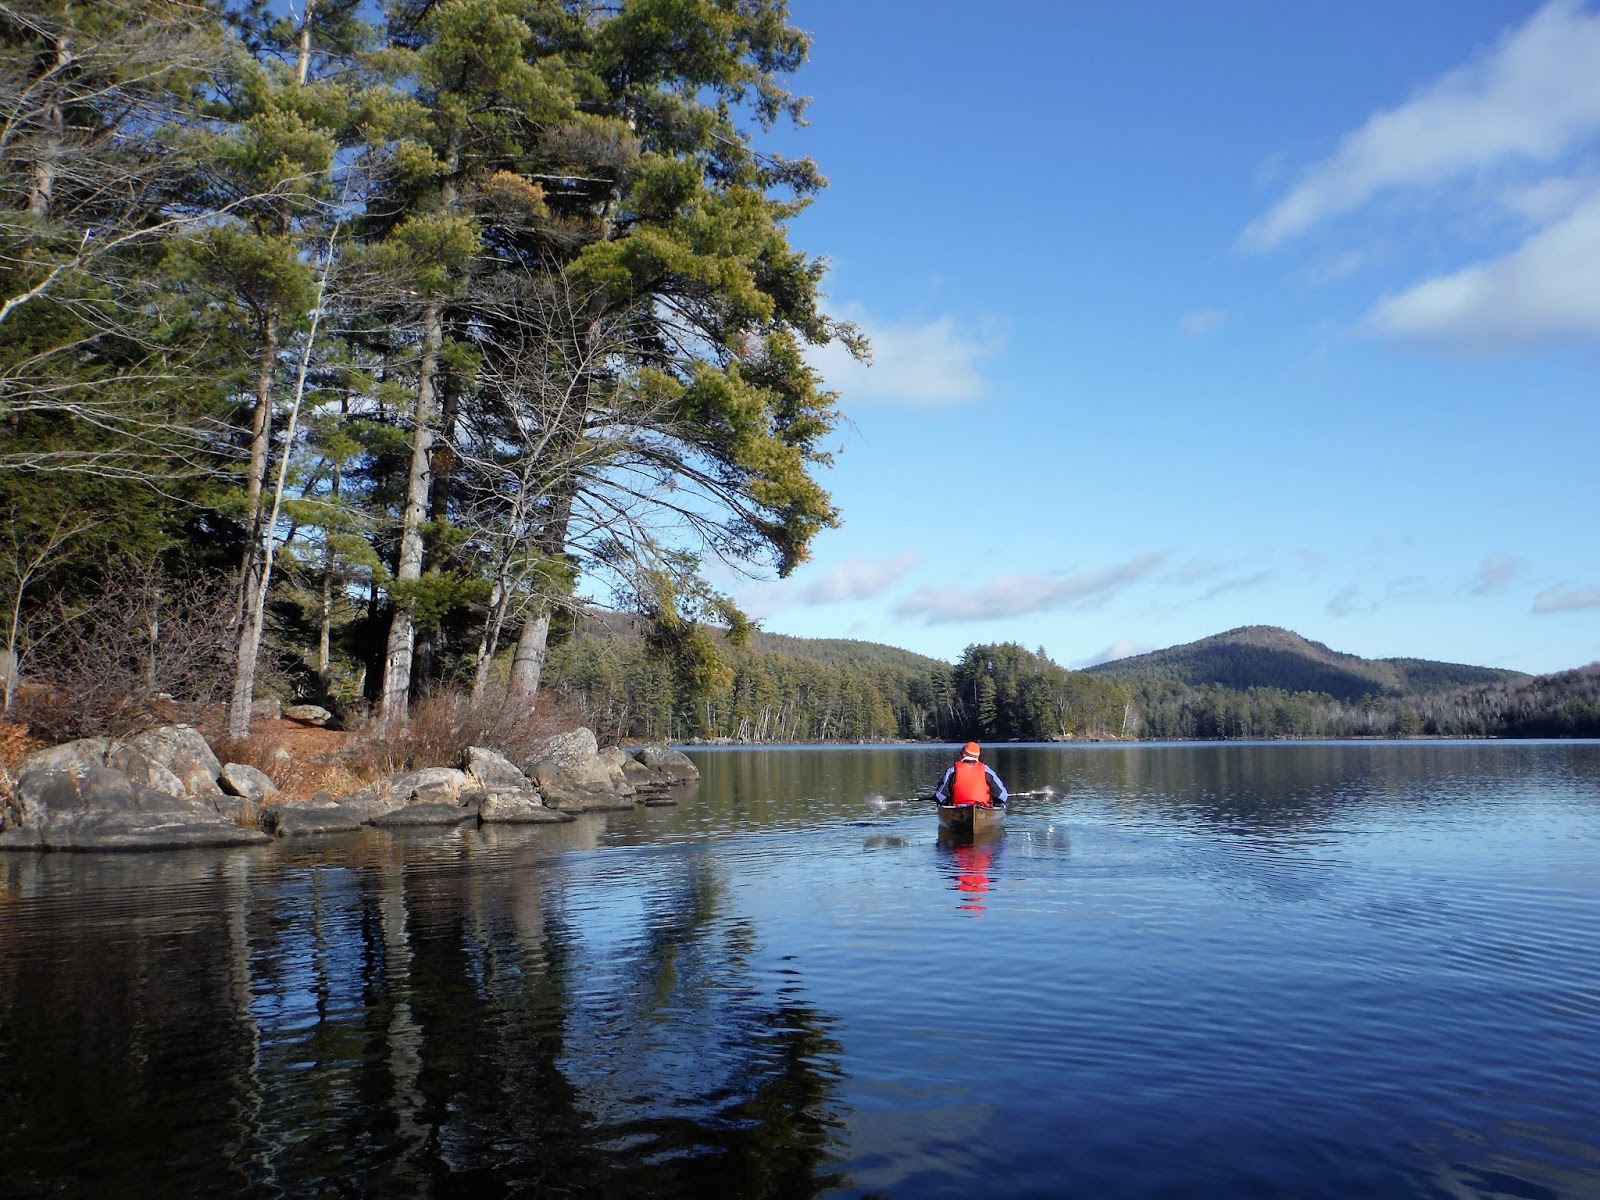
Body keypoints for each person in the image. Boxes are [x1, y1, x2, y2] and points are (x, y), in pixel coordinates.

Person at [934, 741, 1008, 808]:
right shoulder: (987, 771)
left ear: (963, 755)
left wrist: (944, 800)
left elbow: (940, 797)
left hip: (958, 809)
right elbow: (1002, 797)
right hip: (982, 808)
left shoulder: (952, 771)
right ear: (978, 756)